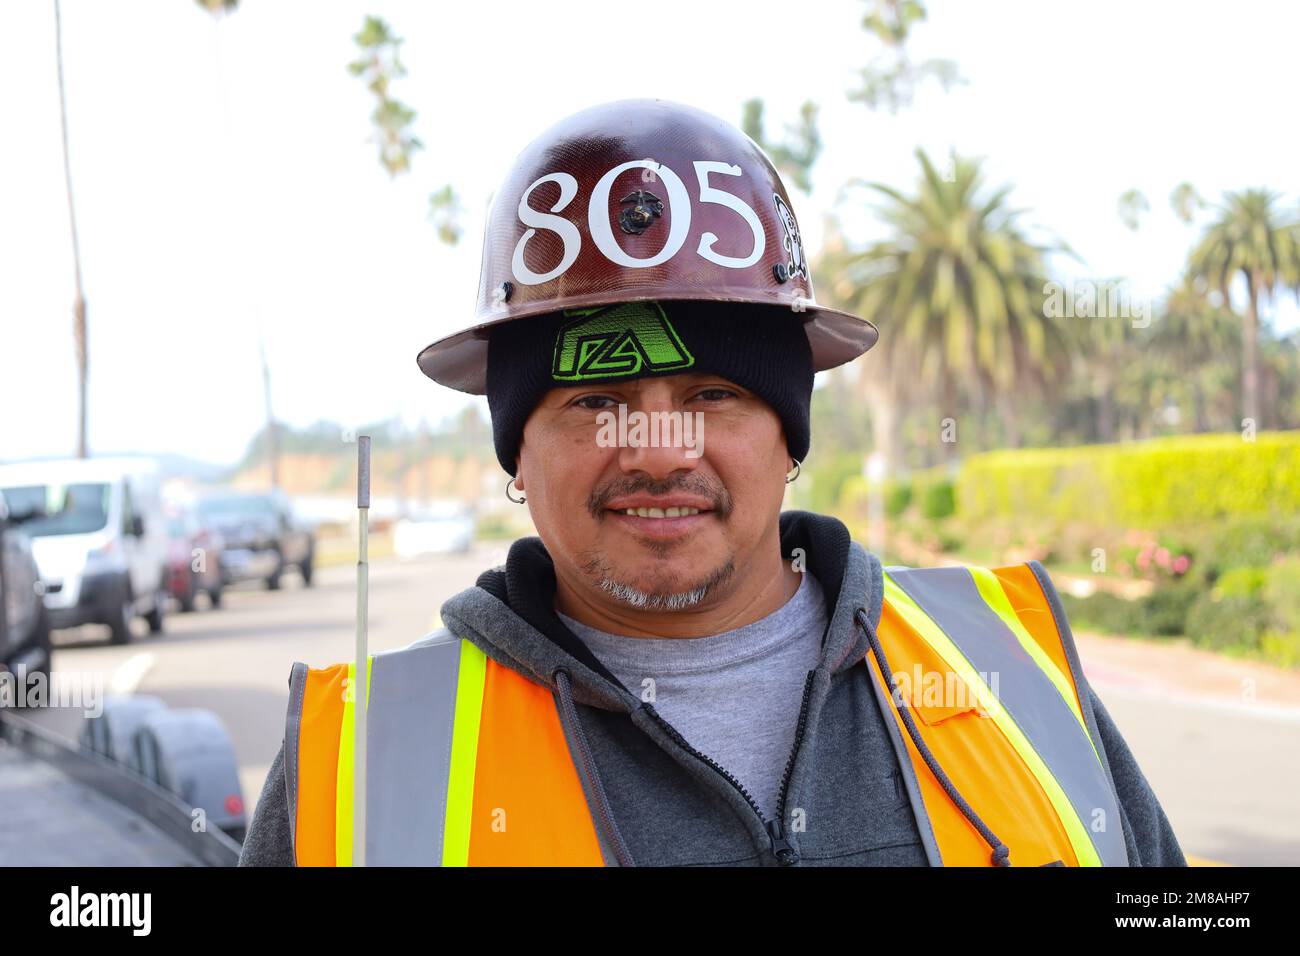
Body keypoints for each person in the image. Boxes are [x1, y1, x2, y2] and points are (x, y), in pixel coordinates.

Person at [239, 99, 1184, 867]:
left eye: (715, 392)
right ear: (516, 453)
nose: (659, 448)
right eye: (596, 399)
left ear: (790, 436)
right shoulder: (361, 762)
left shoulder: (1008, 666)